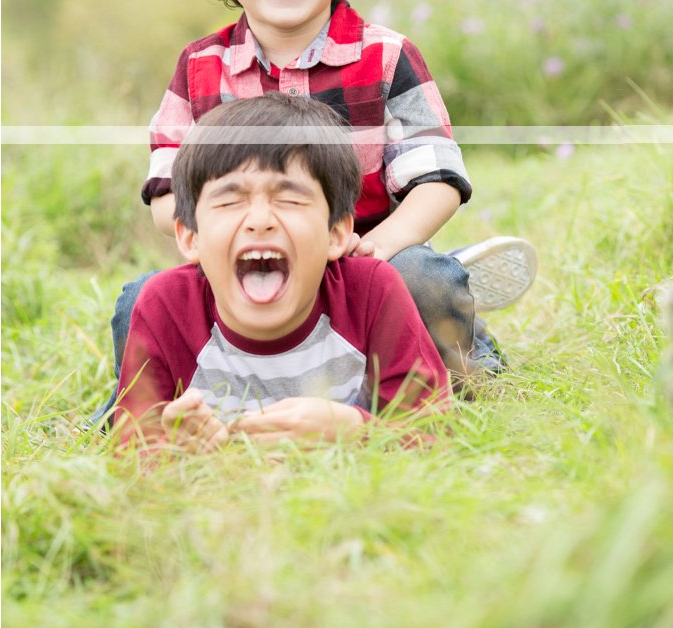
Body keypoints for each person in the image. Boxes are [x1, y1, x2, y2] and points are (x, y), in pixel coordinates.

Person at [97, 0, 536, 424]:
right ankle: (142, 411)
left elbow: (436, 180)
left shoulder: (385, 58)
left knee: (421, 281)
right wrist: (208, 237)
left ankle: (459, 368)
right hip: (247, 258)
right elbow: (168, 190)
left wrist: (381, 245)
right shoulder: (202, 68)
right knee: (140, 299)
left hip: (359, 266)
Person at [114, 94, 452, 451]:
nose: (260, 221)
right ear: (190, 236)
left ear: (336, 233)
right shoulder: (165, 307)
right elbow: (132, 454)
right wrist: (175, 450)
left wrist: (354, 430)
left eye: (290, 199)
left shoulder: (371, 291)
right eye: (230, 201)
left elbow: (434, 434)